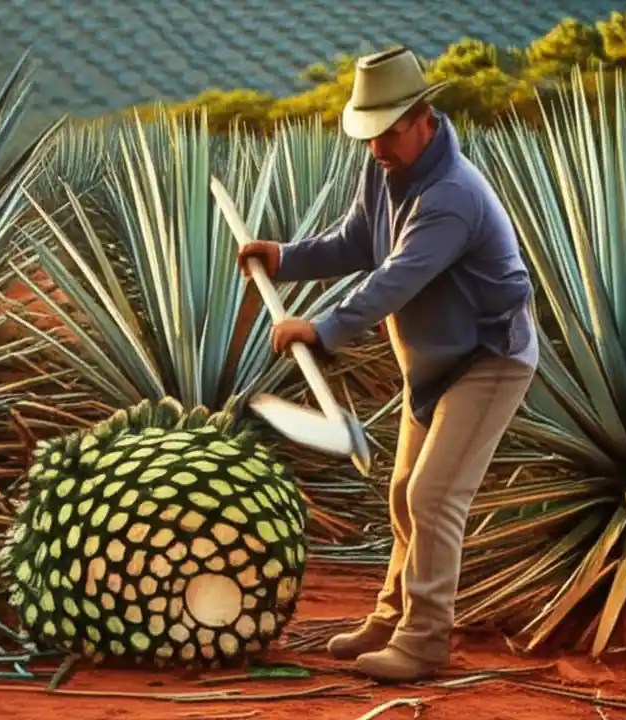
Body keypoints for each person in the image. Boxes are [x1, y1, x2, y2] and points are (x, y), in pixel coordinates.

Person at [236, 46, 538, 682]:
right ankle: (390, 616)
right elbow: (355, 239)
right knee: (404, 493)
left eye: (388, 131)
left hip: (487, 359)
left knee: (433, 496)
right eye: (368, 132)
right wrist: (284, 256)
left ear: (423, 118)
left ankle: (425, 640)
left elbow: (394, 281)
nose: (376, 146)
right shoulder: (385, 169)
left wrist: (319, 329)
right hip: (431, 364)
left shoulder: (452, 197)